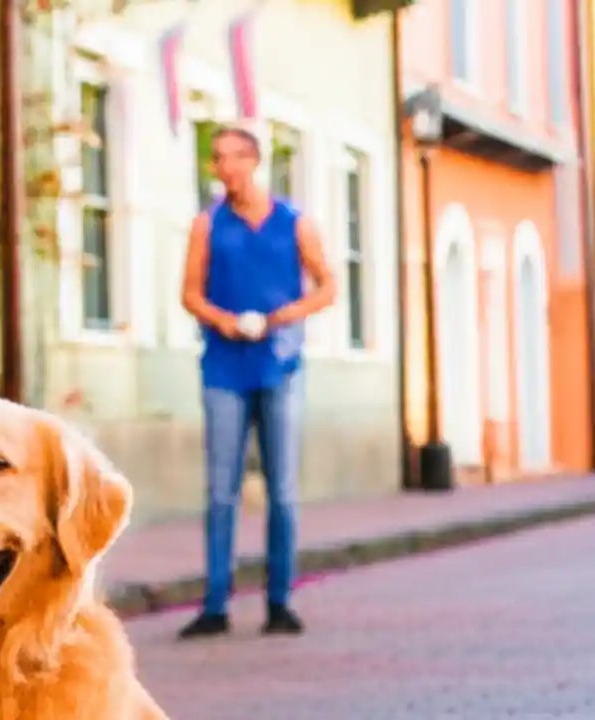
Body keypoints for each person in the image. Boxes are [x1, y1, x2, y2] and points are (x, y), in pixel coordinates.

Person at [177, 125, 335, 639]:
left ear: (254, 161)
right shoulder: (207, 225)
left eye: (234, 157)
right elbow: (190, 293)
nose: (225, 168)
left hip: (280, 365)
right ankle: (216, 603)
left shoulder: (294, 223)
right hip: (224, 368)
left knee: (282, 490)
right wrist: (220, 319)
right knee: (220, 490)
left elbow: (328, 285)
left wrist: (289, 313)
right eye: (218, 159)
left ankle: (280, 600)